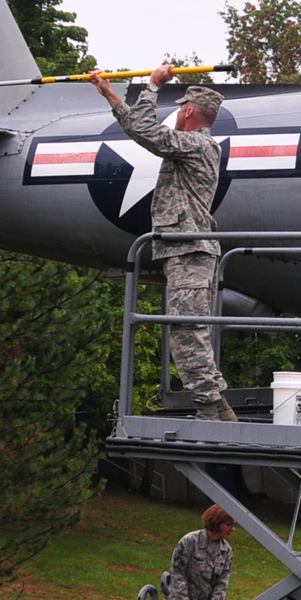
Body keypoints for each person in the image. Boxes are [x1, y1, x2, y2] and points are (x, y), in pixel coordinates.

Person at [84, 62, 234, 421]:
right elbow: (141, 128)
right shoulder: (195, 146)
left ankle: (210, 408)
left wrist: (152, 85)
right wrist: (108, 93)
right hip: (191, 250)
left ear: (186, 110)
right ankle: (217, 405)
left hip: (189, 250)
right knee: (192, 330)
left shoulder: (197, 144)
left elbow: (146, 131)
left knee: (187, 333)